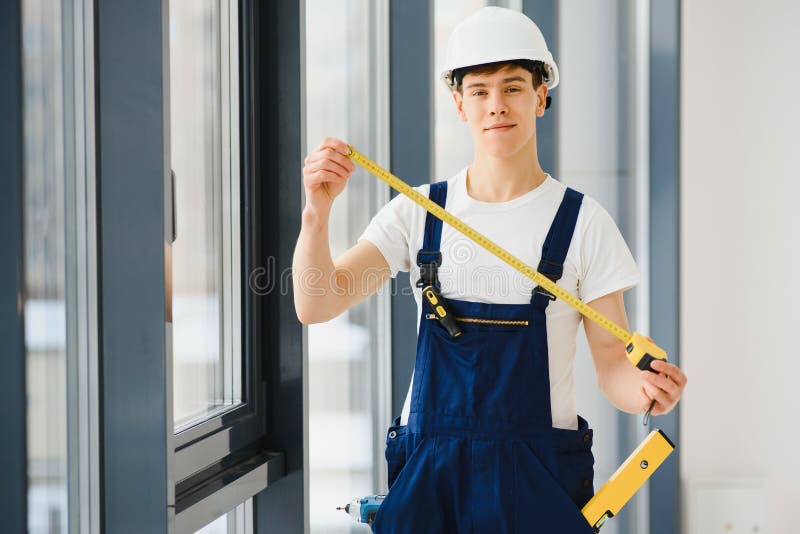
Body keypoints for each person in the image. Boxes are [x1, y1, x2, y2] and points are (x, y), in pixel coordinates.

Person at [293, 6, 687, 533]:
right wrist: (317, 215)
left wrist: (645, 392)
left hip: (539, 481)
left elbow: (612, 364)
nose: (495, 106)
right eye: (479, 91)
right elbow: (316, 303)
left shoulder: (584, 224)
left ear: (541, 96)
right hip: (429, 481)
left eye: (513, 88)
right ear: (459, 103)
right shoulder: (419, 213)